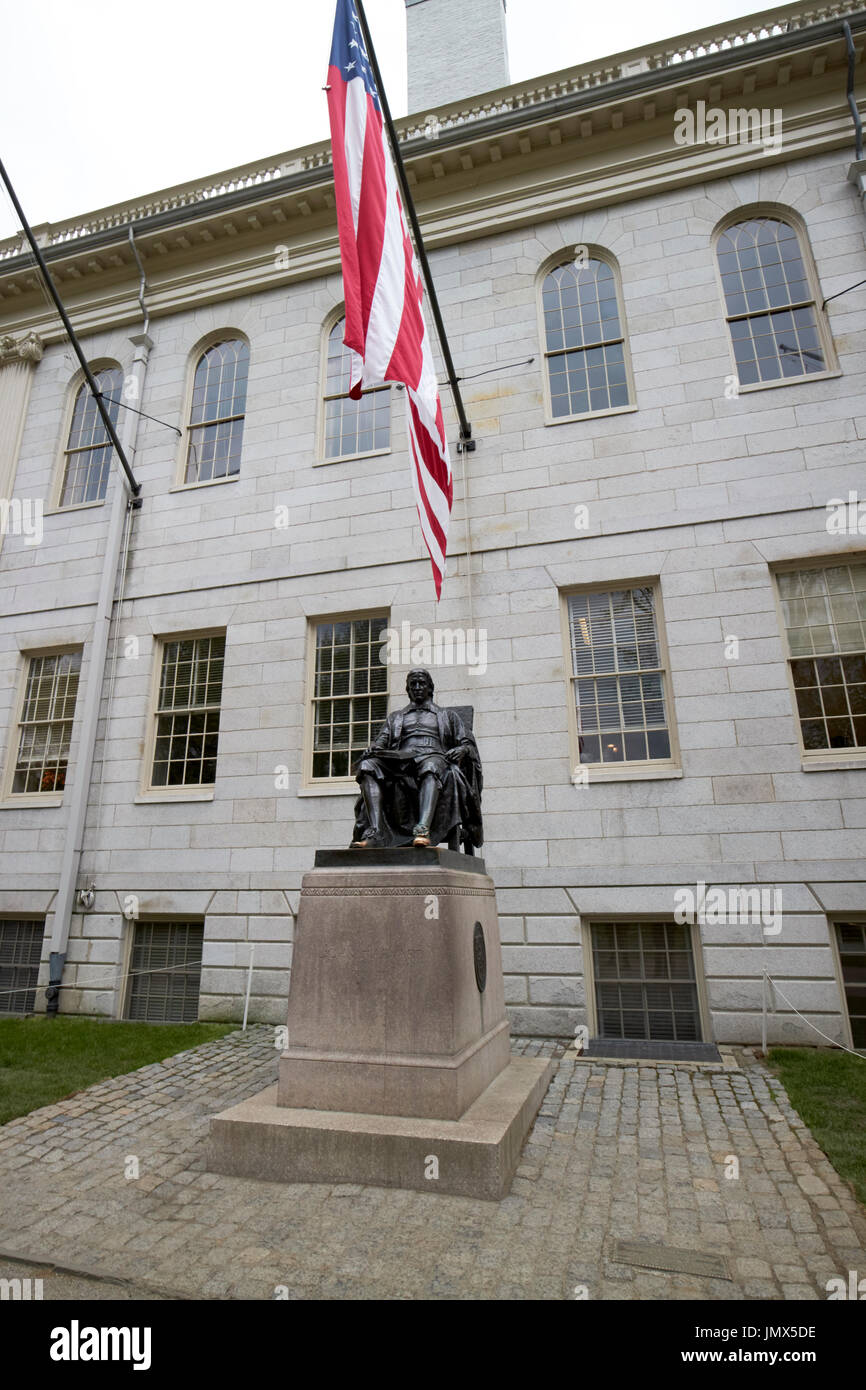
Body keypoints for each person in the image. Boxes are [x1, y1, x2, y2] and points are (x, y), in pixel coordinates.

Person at [351, 668, 483, 851]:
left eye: (422, 683)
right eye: (413, 684)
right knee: (367, 766)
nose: (418, 687)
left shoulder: (448, 716)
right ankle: (375, 831)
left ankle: (422, 830)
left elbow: (467, 744)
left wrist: (462, 749)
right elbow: (381, 742)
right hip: (400, 762)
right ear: (408, 689)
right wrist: (375, 747)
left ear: (430, 688)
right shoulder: (396, 717)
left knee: (430, 766)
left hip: (433, 756)